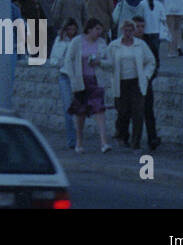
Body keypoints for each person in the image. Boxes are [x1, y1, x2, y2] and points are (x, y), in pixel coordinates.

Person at [61, 19, 112, 154]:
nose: (99, 32)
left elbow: (109, 61)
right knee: (80, 112)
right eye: (97, 29)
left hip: (95, 80)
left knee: (99, 110)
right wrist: (72, 79)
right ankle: (79, 142)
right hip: (81, 80)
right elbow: (69, 60)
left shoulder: (101, 43)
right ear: (89, 29)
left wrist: (99, 62)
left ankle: (104, 142)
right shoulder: (77, 42)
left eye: (100, 29)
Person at [107, 19, 156, 151]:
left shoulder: (141, 45)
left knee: (138, 112)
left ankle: (136, 143)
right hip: (121, 82)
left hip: (136, 82)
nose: (128, 33)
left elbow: (151, 61)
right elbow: (108, 63)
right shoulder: (114, 46)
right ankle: (121, 135)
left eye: (130, 30)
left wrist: (146, 75)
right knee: (123, 112)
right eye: (126, 30)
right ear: (122, 31)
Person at [132, 16, 163, 150]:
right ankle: (130, 138)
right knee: (130, 112)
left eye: (142, 26)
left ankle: (152, 138)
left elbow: (155, 62)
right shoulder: (126, 43)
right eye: (137, 26)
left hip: (145, 80)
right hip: (130, 81)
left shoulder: (149, 43)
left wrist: (149, 77)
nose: (140, 29)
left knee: (148, 111)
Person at [50, 18, 80, 148]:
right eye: (69, 29)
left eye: (73, 29)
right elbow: (54, 59)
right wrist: (62, 61)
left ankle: (79, 140)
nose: (71, 32)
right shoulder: (60, 41)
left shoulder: (79, 41)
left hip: (78, 77)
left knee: (80, 110)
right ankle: (71, 140)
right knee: (68, 109)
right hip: (65, 76)